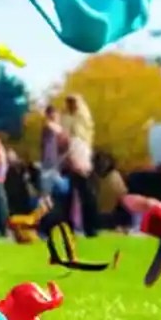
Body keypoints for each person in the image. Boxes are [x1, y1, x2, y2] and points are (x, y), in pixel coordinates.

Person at [61, 95, 98, 237]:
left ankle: (90, 227)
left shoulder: (82, 117)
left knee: (86, 194)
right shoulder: (66, 118)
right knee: (69, 196)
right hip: (70, 154)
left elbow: (82, 137)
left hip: (80, 152)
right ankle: (69, 226)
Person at [92, 152, 130, 232]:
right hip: (112, 217)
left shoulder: (92, 179)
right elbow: (124, 196)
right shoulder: (115, 176)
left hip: (98, 217)